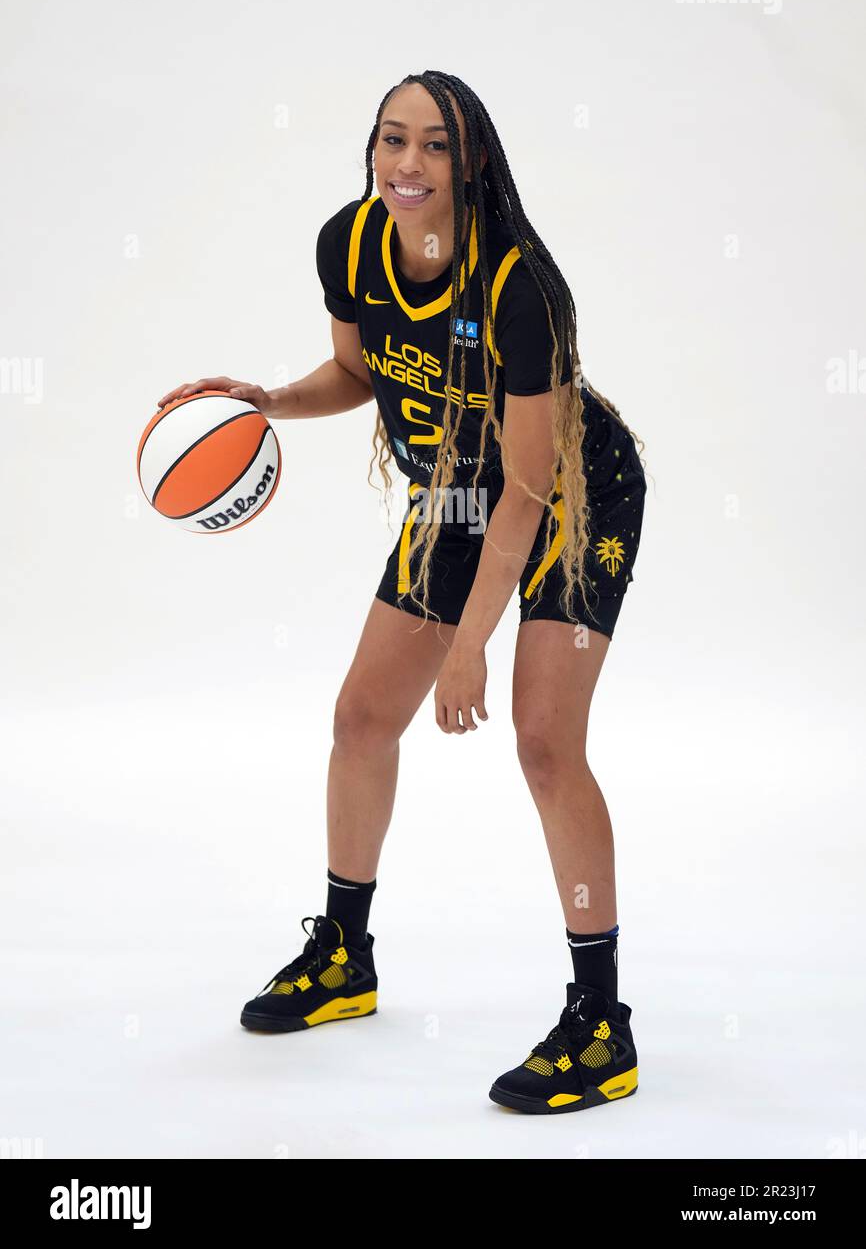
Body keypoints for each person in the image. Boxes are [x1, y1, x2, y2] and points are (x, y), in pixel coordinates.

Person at [157, 69, 648, 1115]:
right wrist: (265, 403)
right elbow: (359, 373)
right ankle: (344, 954)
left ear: (471, 162)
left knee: (543, 742)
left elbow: (528, 491)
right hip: (459, 489)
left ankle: (602, 1021)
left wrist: (470, 643)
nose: (407, 163)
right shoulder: (349, 242)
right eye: (391, 139)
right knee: (362, 717)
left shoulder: (518, 285)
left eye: (433, 144)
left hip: (570, 490)